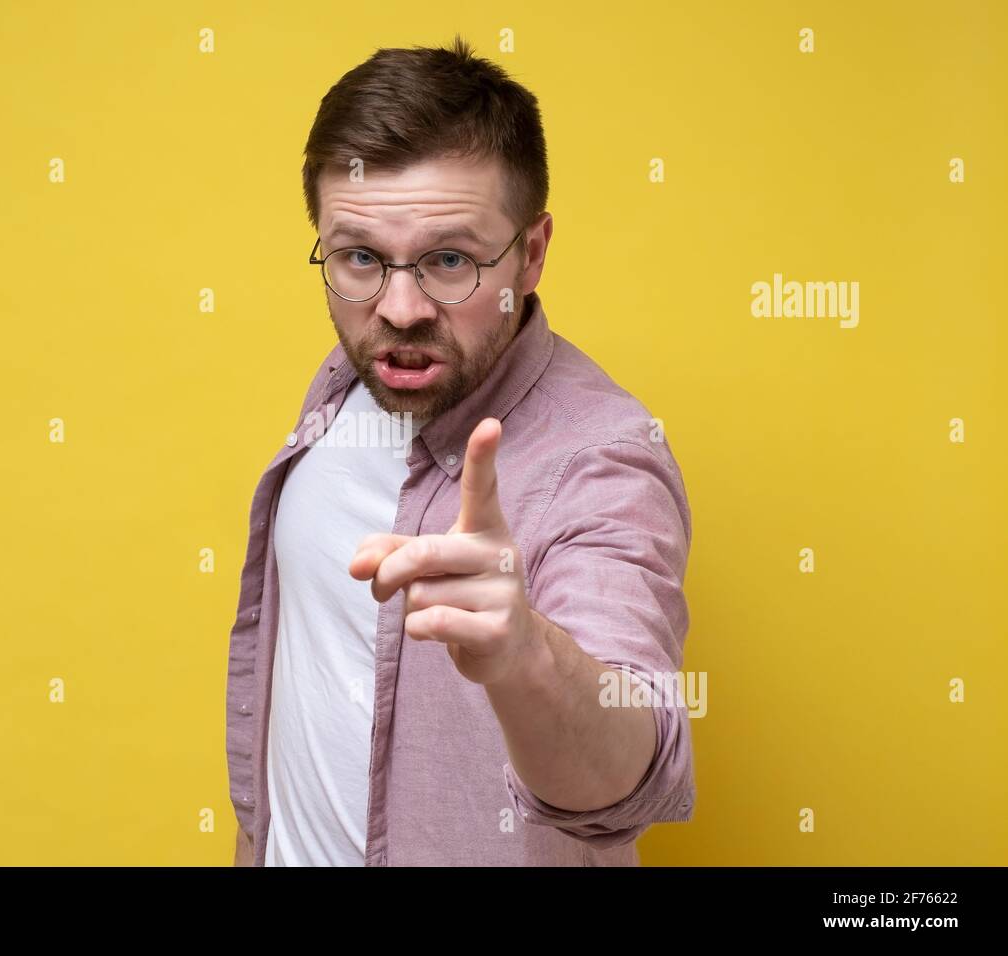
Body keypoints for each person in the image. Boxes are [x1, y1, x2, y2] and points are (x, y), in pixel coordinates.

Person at [227, 35, 695, 866]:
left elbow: (635, 765)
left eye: (450, 259)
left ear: (533, 252)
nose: (400, 307)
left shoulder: (602, 461)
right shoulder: (356, 371)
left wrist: (524, 656)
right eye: (360, 256)